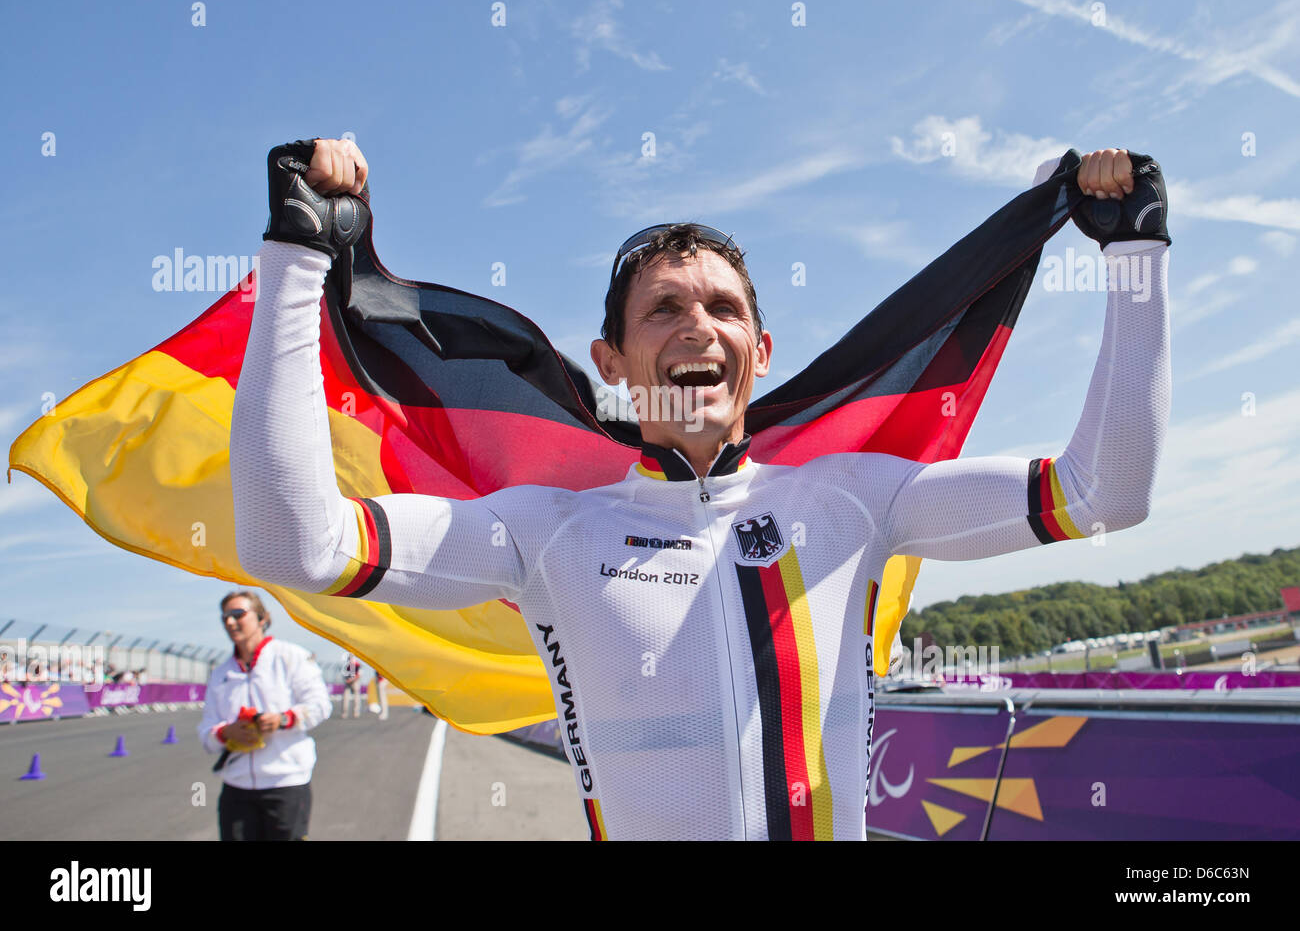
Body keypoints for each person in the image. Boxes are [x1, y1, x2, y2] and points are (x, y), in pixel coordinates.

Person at [231, 139, 1170, 840]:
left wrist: (1135, 262)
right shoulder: (546, 532)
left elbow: (1102, 492)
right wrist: (295, 259)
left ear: (760, 353)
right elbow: (295, 543)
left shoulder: (852, 501)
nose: (698, 328)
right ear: (611, 359)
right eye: (664, 309)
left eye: (724, 308)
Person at [197, 590, 331, 840]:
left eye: (238, 614)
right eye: (224, 617)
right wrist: (225, 733)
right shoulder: (220, 673)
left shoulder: (292, 657)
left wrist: (283, 719)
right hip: (236, 787)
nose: (229, 622)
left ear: (262, 618)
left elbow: (320, 705)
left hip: (286, 784)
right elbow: (206, 732)